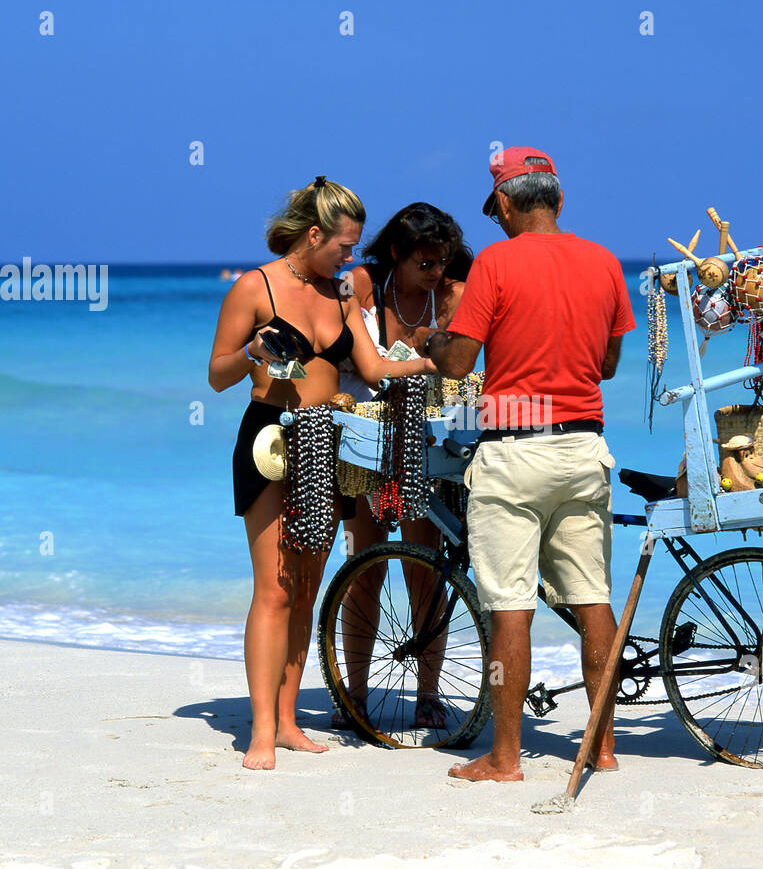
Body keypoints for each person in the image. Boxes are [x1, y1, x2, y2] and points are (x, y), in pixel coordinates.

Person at [207, 177, 436, 770]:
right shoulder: (255, 288)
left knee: (307, 587)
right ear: (314, 235)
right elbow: (217, 374)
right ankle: (261, 731)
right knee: (275, 588)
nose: (352, 259)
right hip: (270, 440)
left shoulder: (340, 297)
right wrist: (255, 351)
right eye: (344, 246)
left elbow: (373, 368)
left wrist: (441, 357)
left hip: (329, 444)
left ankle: (287, 723)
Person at [423, 147, 636, 782]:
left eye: (497, 212)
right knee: (592, 599)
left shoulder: (495, 262)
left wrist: (436, 339)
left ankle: (506, 756)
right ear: (560, 201)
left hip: (514, 453)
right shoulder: (603, 262)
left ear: (509, 203)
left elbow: (460, 364)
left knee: (509, 608)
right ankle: (601, 746)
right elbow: (607, 366)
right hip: (583, 448)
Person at [331, 203, 474, 730]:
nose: (436, 272)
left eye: (442, 261)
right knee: (363, 568)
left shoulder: (456, 293)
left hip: (431, 442)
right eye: (425, 263)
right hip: (366, 436)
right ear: (397, 252)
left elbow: (468, 367)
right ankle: (355, 692)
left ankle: (429, 694)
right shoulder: (360, 284)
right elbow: (351, 356)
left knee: (425, 568)